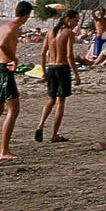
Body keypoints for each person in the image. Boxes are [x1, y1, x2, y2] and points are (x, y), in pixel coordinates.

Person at [0, 1, 33, 160]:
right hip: (4, 70)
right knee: (14, 109)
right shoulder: (13, 28)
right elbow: (2, 44)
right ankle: (3, 151)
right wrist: (14, 58)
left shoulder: (5, 25)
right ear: (27, 15)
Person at [36, 9, 82, 143]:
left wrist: (43, 71)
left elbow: (43, 53)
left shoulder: (51, 32)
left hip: (51, 67)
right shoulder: (68, 33)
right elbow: (69, 56)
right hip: (62, 68)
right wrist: (76, 74)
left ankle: (40, 125)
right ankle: (54, 134)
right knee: (60, 101)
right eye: (75, 21)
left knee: (50, 99)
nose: (76, 24)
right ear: (68, 19)